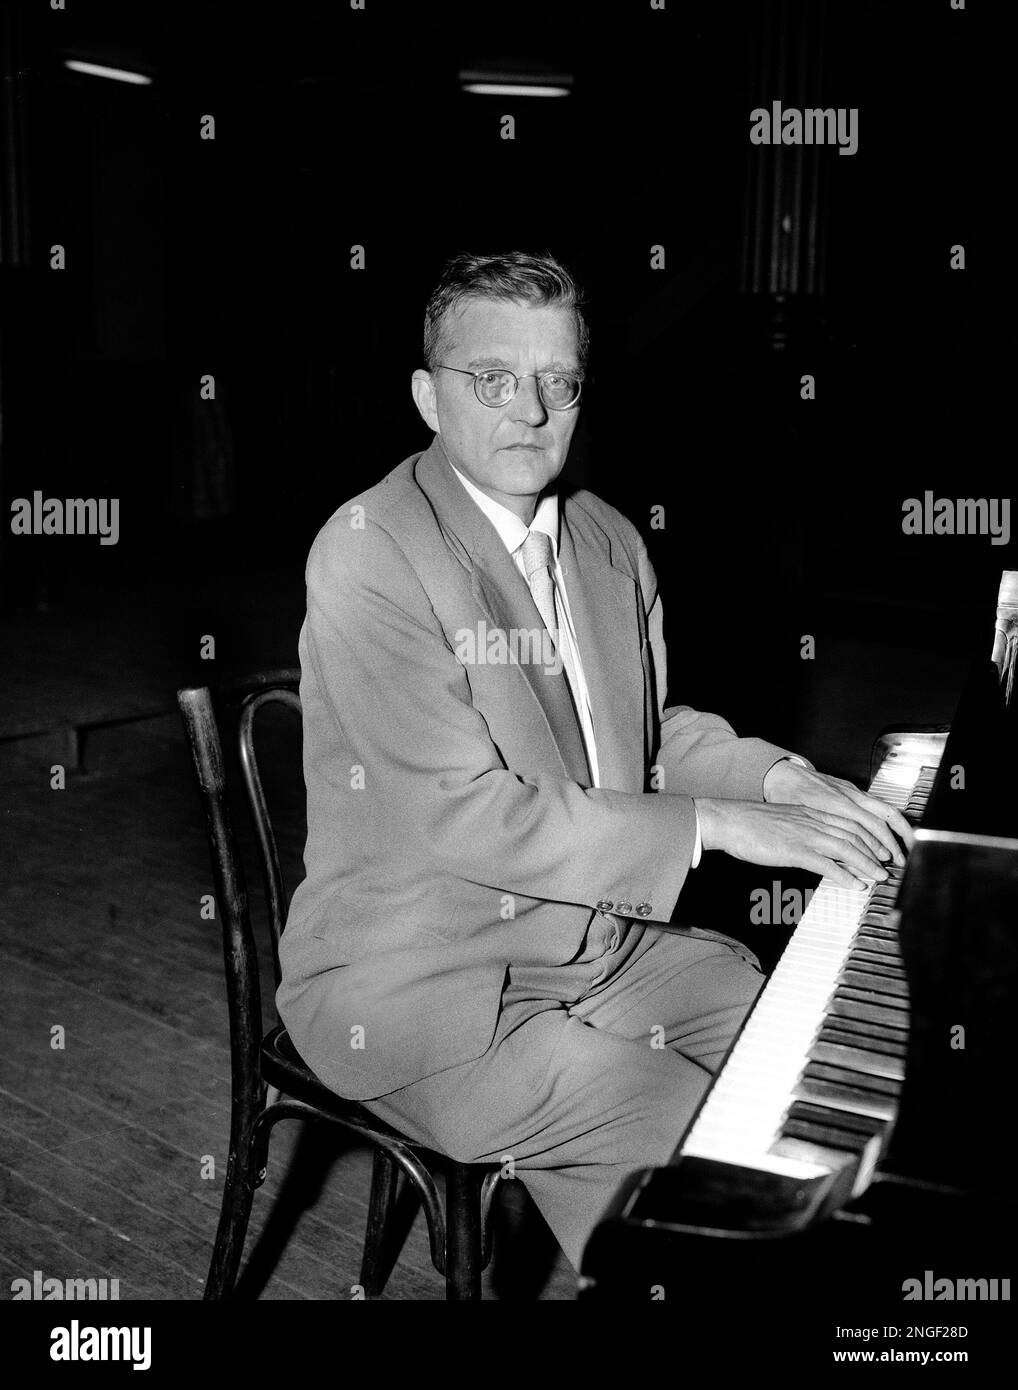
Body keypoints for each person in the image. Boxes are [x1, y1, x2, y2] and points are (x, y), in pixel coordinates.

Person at [276, 251, 912, 1273]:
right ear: (426, 396)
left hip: (597, 945)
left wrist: (775, 782)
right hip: (423, 981)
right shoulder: (369, 549)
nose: (529, 409)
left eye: (557, 380)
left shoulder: (607, 540)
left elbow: (644, 741)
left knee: (801, 1050)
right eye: (491, 378)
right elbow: (464, 814)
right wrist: (712, 826)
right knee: (676, 1141)